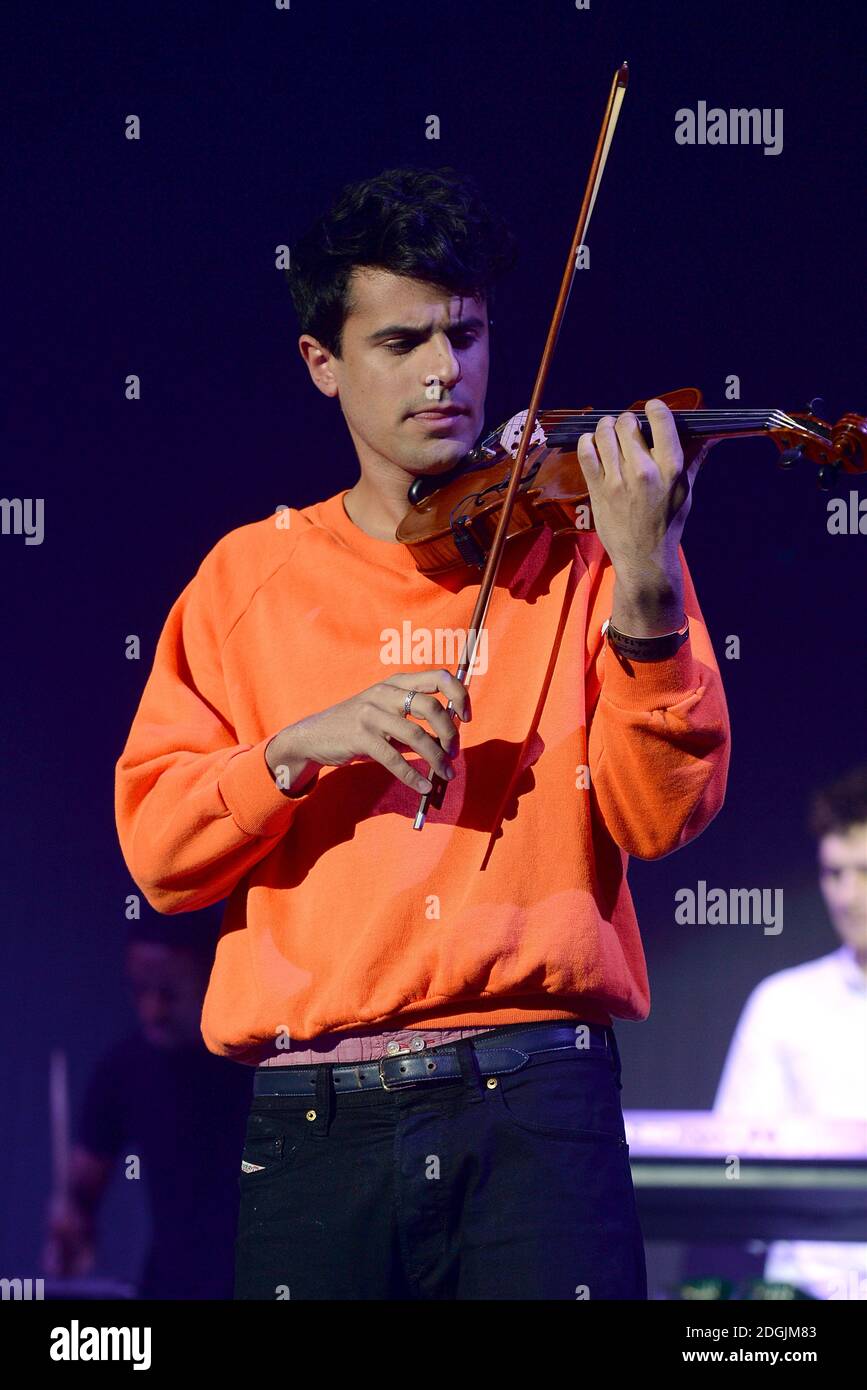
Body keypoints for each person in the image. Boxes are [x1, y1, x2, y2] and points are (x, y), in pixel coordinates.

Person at [114, 165, 730, 1300]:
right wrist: (302, 747)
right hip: (316, 1125)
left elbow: (665, 816)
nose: (448, 373)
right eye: (403, 343)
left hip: (536, 1107)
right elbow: (160, 858)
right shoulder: (247, 579)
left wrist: (648, 582)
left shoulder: (587, 551)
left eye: (468, 334)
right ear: (322, 363)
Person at [714, 764, 867, 1300]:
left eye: (864, 871)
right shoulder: (783, 1003)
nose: (847, 896)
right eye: (835, 874)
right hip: (803, 1294)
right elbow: (729, 1163)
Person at [42, 910, 253, 1299]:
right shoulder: (123, 1069)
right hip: (170, 1285)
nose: (152, 1010)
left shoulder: (260, 1063)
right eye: (140, 990)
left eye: (170, 992)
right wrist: (73, 1215)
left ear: (212, 976)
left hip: (260, 1281)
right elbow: (85, 1180)